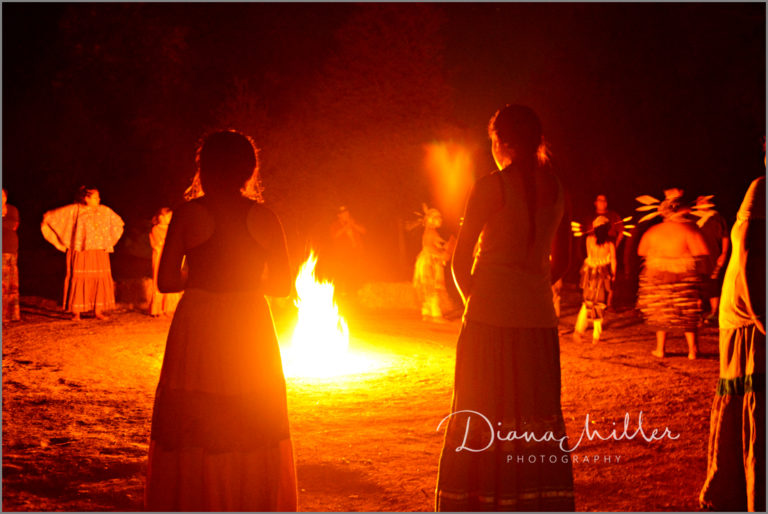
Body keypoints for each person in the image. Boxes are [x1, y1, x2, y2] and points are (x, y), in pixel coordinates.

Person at [145, 130, 297, 511]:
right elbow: (282, 285)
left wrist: (201, 277)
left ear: (204, 168)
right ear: (249, 171)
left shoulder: (188, 214)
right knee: (249, 408)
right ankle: (248, 497)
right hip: (248, 319)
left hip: (201, 320)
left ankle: (197, 498)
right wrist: (243, 279)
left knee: (197, 413)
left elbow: (165, 281)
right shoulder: (265, 217)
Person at [435, 105, 574, 511]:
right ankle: (532, 499)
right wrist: (530, 290)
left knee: (482, 411)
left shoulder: (489, 187)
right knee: (533, 413)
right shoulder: (560, 188)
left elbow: (460, 262)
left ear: (502, 143)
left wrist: (476, 305)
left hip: (487, 321)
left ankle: (481, 499)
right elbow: (563, 260)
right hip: (538, 322)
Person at [699, 173, 765, 512]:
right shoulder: (761, 189)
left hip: (752, 312)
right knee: (752, 396)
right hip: (750, 315)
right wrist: (761, 316)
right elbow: (749, 254)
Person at [636, 190, 710, 359]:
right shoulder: (689, 230)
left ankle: (661, 349)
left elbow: (641, 251)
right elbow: (703, 251)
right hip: (682, 277)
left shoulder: (654, 231)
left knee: (662, 314)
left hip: (658, 277)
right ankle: (693, 350)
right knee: (686, 313)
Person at [41, 186, 124, 321]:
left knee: (99, 277)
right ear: (86, 198)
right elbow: (53, 217)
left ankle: (98, 311)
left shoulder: (104, 211)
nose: (99, 199)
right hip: (81, 250)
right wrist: (47, 217)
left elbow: (119, 223)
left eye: (98, 197)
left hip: (99, 251)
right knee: (79, 278)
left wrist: (108, 239)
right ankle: (76, 312)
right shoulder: (76, 210)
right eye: (95, 197)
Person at [574, 215, 616, 343]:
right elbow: (613, 260)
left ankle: (579, 331)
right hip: (602, 274)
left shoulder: (589, 239)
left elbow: (589, 256)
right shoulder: (610, 243)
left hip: (590, 273)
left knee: (587, 302)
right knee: (599, 303)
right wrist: (613, 275)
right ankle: (596, 336)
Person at [694, 195, 729, 324]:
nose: (702, 202)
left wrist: (724, 253)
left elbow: (725, 236)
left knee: (713, 284)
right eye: (700, 201)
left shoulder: (717, 217)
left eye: (705, 200)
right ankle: (697, 313)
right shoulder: (690, 217)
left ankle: (714, 313)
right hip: (695, 257)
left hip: (713, 256)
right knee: (696, 285)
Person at [413, 205, 450, 322]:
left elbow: (437, 245)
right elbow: (432, 247)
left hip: (426, 260)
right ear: (432, 220)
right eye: (438, 218)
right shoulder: (431, 233)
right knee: (433, 287)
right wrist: (444, 250)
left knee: (427, 288)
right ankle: (436, 315)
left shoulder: (430, 232)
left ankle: (426, 313)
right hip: (430, 262)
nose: (440, 220)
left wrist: (444, 247)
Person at [148, 207, 182, 317]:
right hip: (160, 258)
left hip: (170, 258)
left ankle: (169, 308)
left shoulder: (172, 228)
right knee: (160, 279)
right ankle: (157, 309)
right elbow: (158, 244)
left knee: (171, 280)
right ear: (161, 217)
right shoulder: (156, 229)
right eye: (168, 216)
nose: (170, 218)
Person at [329, 205, 366, 296]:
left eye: (347, 212)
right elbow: (334, 236)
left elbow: (364, 231)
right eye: (343, 213)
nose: (346, 214)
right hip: (344, 254)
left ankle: (356, 290)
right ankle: (344, 292)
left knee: (357, 271)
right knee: (345, 272)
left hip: (356, 251)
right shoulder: (335, 224)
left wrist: (353, 225)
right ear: (339, 215)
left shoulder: (353, 222)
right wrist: (345, 228)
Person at [2, 189, 21, 322]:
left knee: (12, 285)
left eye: (2, 195)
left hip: (11, 248)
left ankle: (12, 315)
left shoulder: (12, 209)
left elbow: (13, 225)